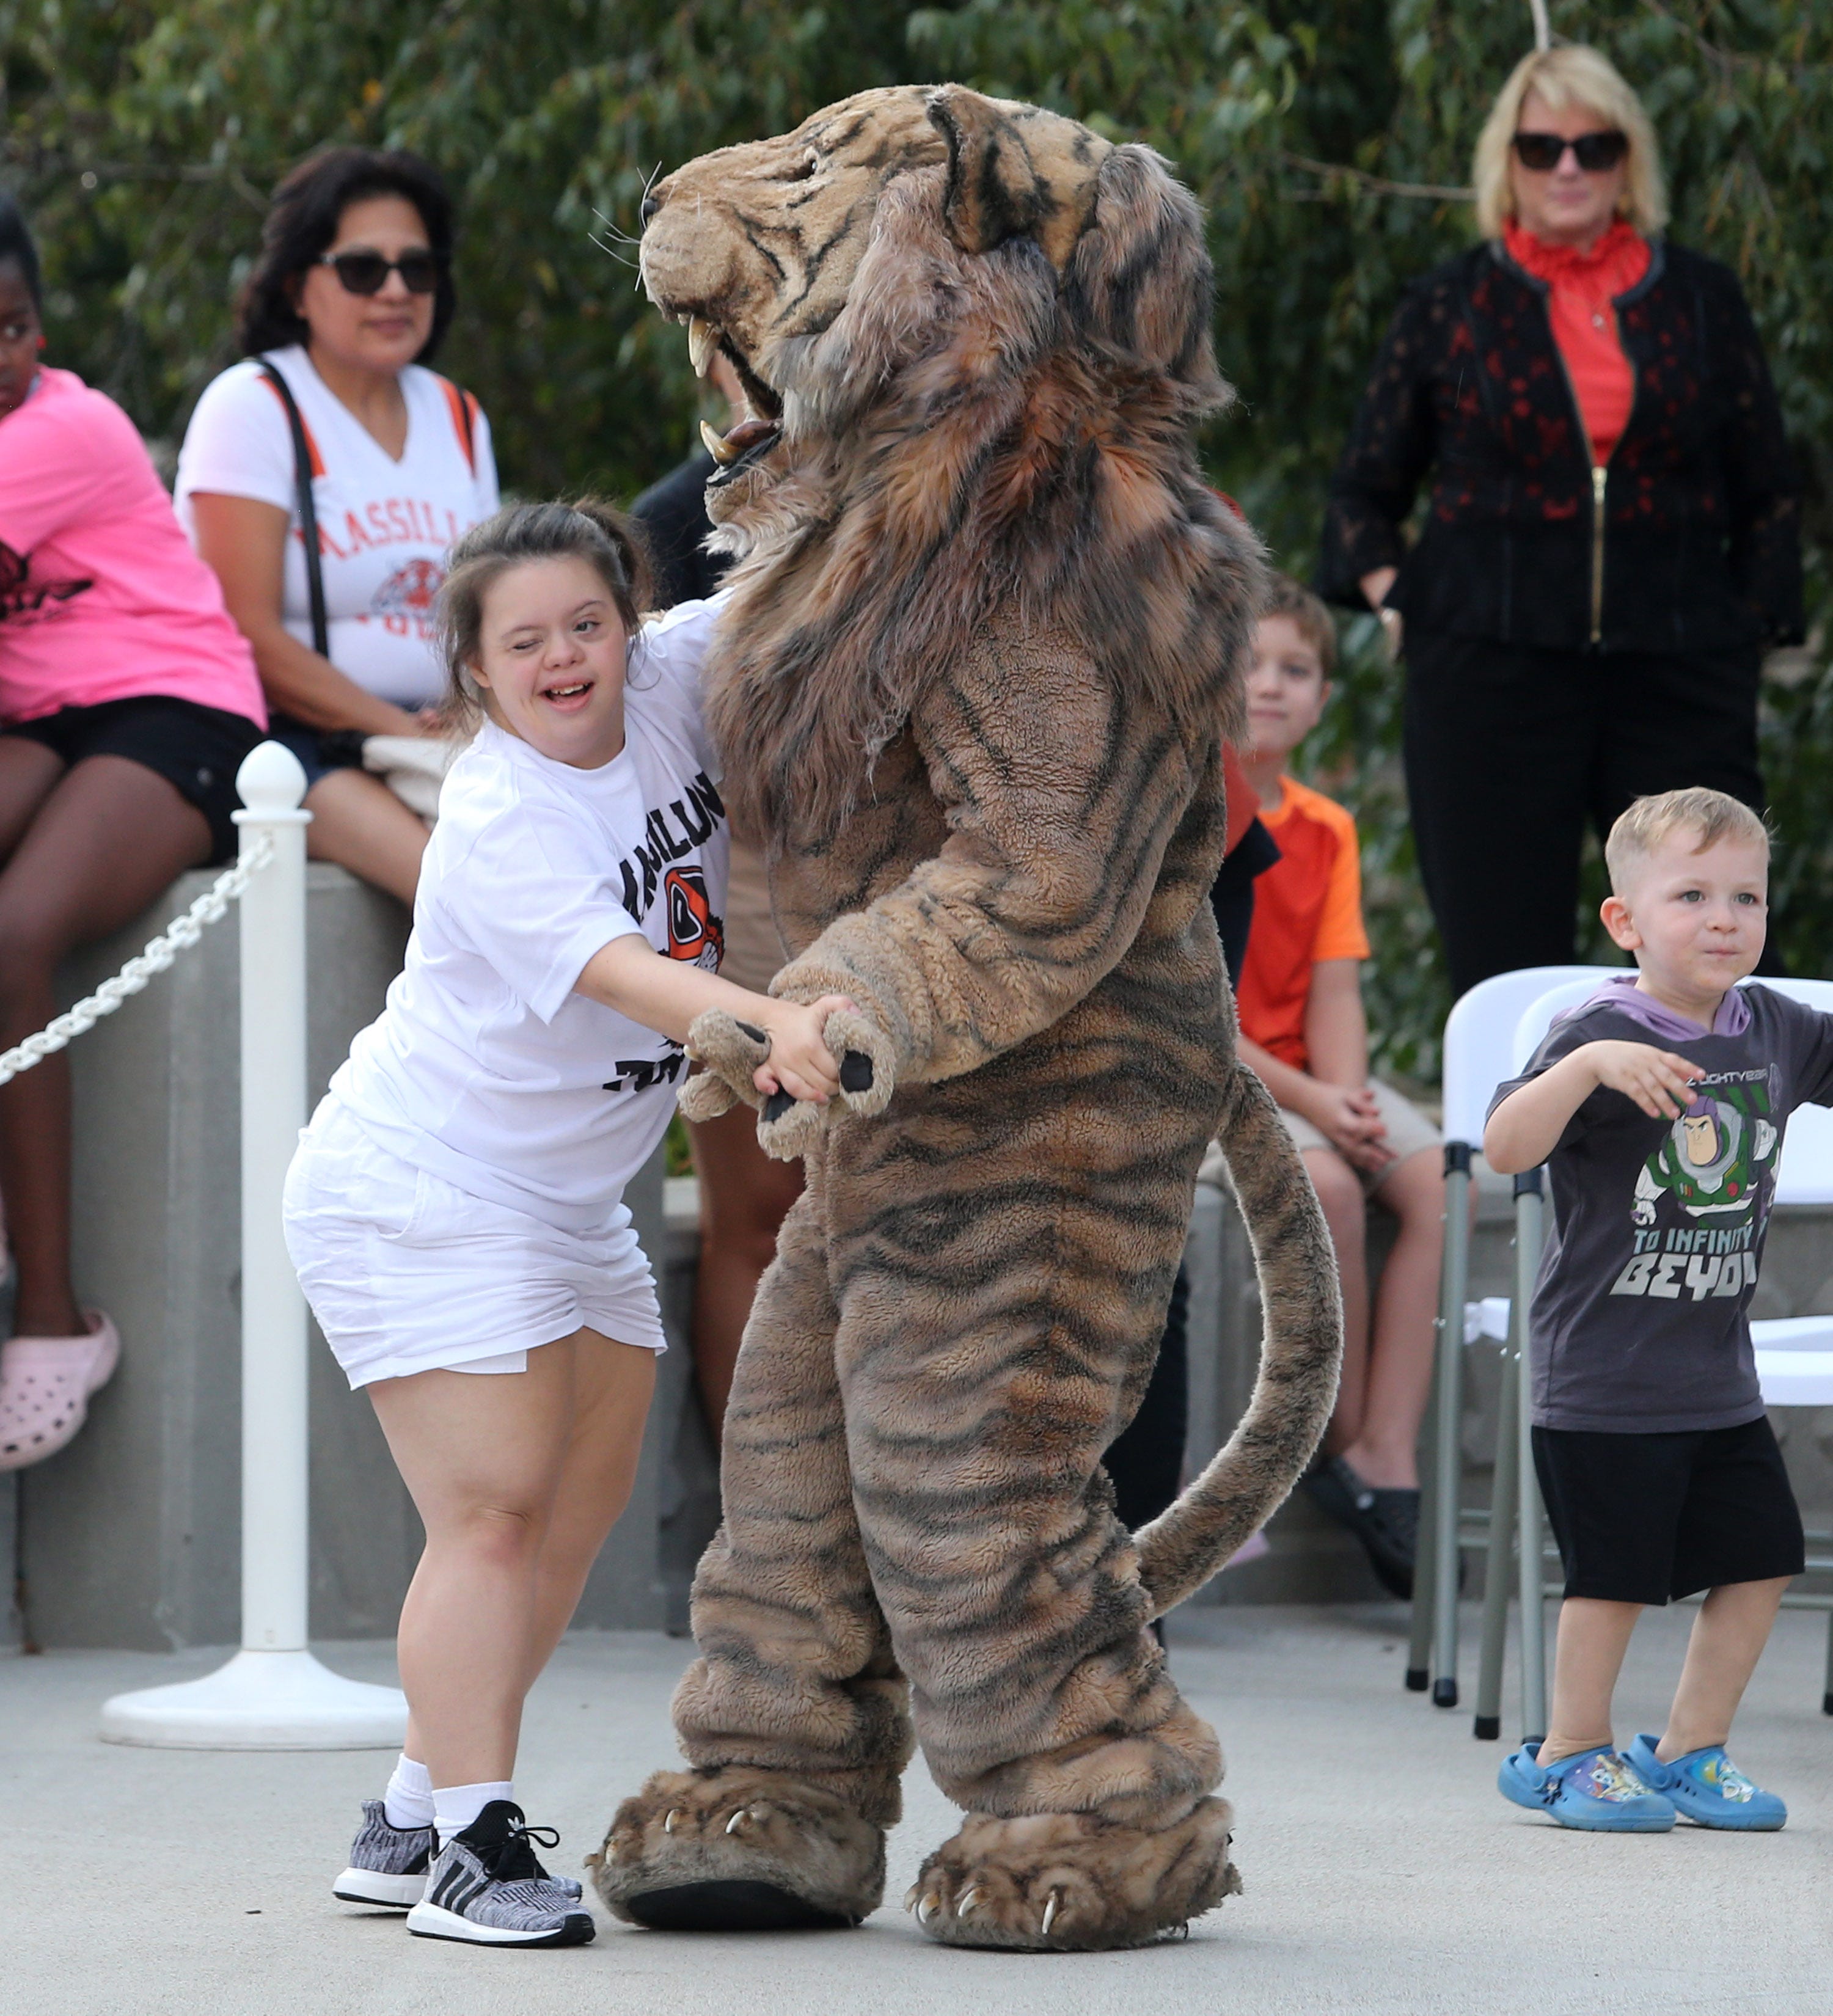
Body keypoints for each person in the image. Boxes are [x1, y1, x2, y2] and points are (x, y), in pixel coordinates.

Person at [282, 500, 852, 1946]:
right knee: (488, 1516)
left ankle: (409, 1809)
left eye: (584, 625)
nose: (563, 658)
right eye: (522, 641)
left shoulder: (667, 674)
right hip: (419, 1189)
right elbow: (632, 976)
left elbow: (808, 560)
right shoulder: (494, 815)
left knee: (571, 1517)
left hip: (566, 1203)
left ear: (627, 620)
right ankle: (478, 1843)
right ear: (474, 673)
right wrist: (775, 1018)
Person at [1318, 44, 1801, 1003]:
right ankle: (1525, 1154)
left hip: (1677, 665)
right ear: (1509, 163)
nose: (1569, 166)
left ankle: (1745, 1153)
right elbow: (1363, 494)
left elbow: (1769, 491)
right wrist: (1405, 603)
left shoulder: (1703, 300)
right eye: (1542, 148)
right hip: (1487, 676)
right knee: (1505, 958)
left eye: (1594, 144)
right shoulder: (1450, 305)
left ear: (1629, 160)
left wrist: (1743, 633)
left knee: (1716, 945)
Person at [1485, 788, 1821, 1832]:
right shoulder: (1603, 1030)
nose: (1726, 919)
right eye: (1692, 895)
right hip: (1601, 1378)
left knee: (1763, 1560)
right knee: (1615, 1579)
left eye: (1747, 897)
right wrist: (1586, 1066)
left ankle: (1687, 1751)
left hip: (1716, 1376)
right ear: (1625, 922)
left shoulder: (1776, 1026)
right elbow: (1505, 1149)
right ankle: (1570, 1753)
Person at [0, 195, 266, 1471]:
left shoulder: (66, 426)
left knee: (17, 932)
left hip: (173, 708)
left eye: (16, 324)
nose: (3, 353)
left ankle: (50, 1314)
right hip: (46, 716)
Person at [178, 147, 499, 907]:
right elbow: (242, 634)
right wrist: (398, 729)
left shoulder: (456, 414)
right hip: (295, 748)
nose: (395, 290)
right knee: (462, 894)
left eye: (416, 269)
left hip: (443, 732)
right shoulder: (254, 405)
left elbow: (492, 607)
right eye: (363, 269)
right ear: (297, 285)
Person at [1221, 577, 1445, 1597]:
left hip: (1310, 1076)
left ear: (1320, 702)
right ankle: (1336, 1438)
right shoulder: (1191, 805)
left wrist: (1349, 1102)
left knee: (1441, 1179)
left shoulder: (1328, 828)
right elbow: (1200, 1016)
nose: (1270, 686)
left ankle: (1383, 1454)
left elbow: (1337, 990)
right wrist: (1319, 1113)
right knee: (1338, 1190)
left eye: (1296, 671)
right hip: (1222, 1079)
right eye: (1252, 661)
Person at [631, 357, 800, 1441]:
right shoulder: (670, 523)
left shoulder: (938, 490)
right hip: (744, 889)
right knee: (761, 1221)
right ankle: (768, 1544)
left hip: (922, 910)